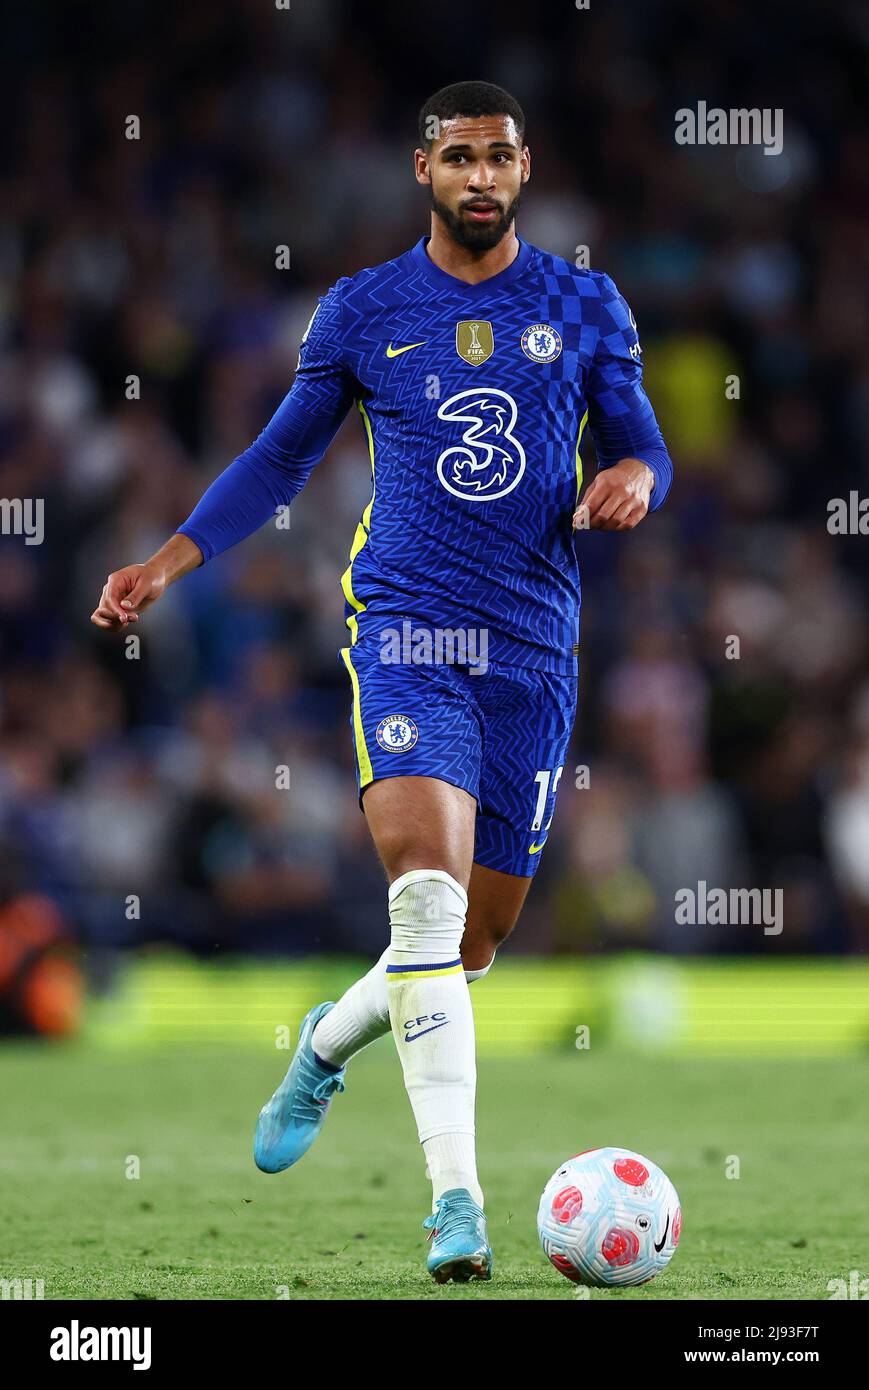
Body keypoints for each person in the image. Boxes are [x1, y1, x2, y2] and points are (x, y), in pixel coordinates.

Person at [91, 80, 673, 1284]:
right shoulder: (363, 308)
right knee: (421, 899)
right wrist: (167, 560)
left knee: (468, 942)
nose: (478, 178)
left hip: (531, 653)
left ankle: (324, 1041)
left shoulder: (581, 301)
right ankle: (454, 1202)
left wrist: (636, 480)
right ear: (421, 170)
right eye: (456, 157)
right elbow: (277, 458)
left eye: (497, 158)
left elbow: (642, 438)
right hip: (407, 631)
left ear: (524, 169)